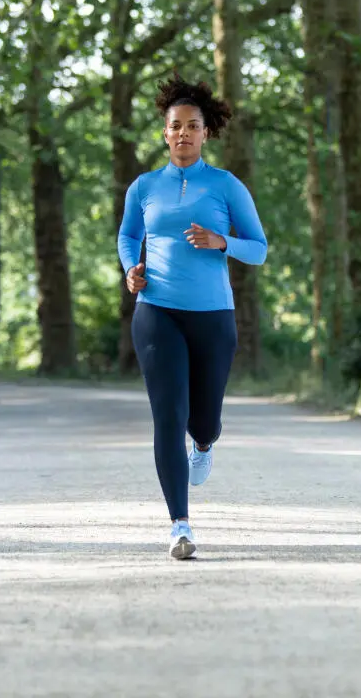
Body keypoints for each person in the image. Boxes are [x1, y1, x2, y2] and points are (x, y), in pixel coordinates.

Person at [117, 73, 267, 560]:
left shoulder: (225, 186)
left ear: (206, 133)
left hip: (212, 316)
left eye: (192, 126)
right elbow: (127, 236)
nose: (183, 133)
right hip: (156, 311)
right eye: (175, 126)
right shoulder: (144, 187)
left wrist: (221, 241)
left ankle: (204, 444)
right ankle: (180, 525)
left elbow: (259, 250)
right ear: (164, 133)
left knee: (203, 421)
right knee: (168, 416)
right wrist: (131, 270)